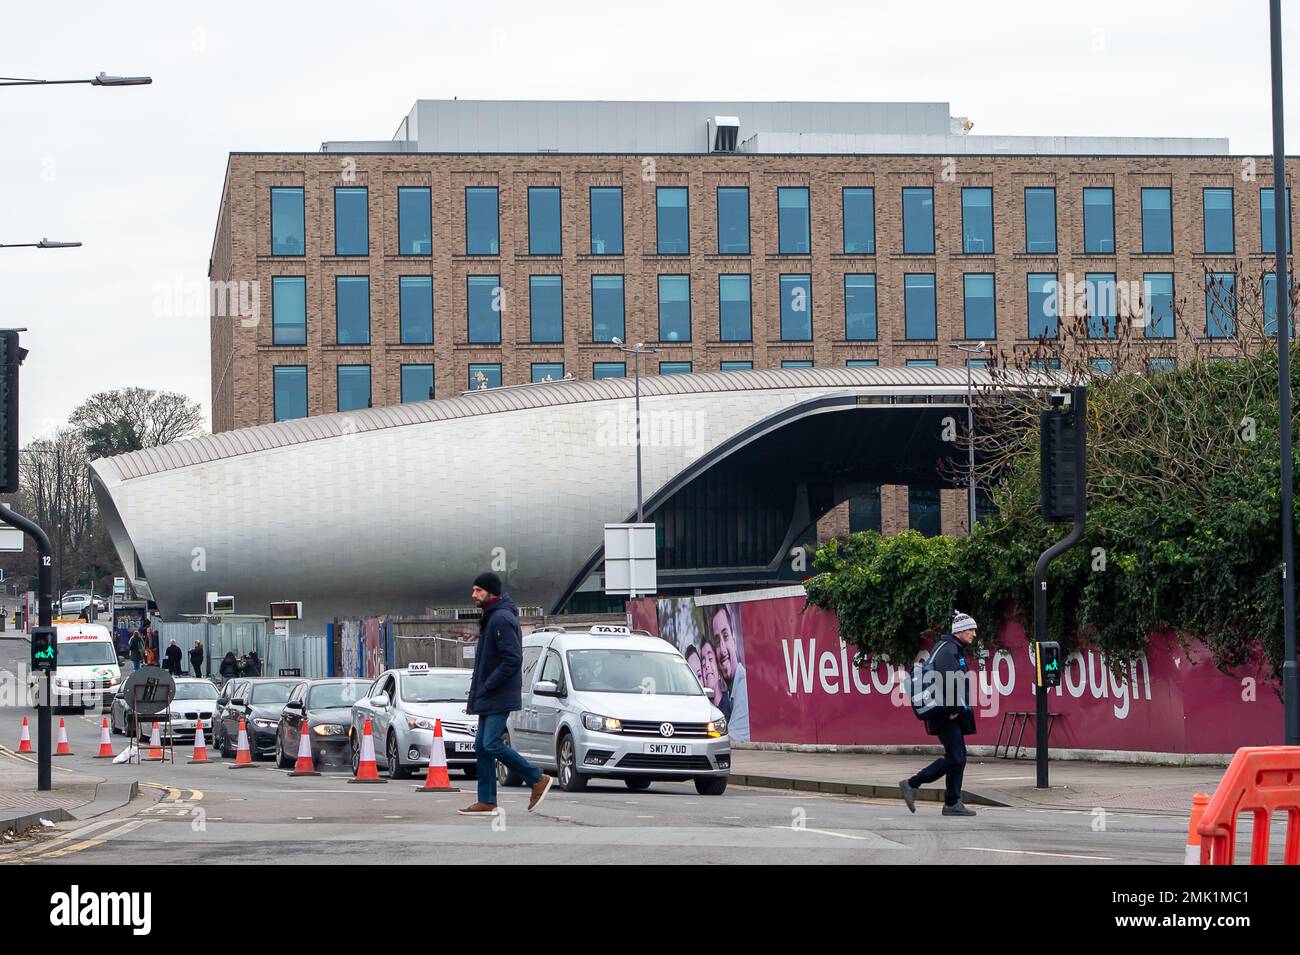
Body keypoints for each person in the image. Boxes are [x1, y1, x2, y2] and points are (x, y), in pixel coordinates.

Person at [460, 571, 553, 816]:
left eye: (478, 590)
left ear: (492, 593)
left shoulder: (500, 618)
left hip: (497, 694)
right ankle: (487, 799)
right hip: (488, 694)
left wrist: (489, 685)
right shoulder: (492, 617)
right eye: (474, 590)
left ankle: (537, 778)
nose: (474, 595)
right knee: (481, 746)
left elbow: (512, 659)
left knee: (490, 743)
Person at [899, 612, 980, 817]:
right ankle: (912, 783)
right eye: (971, 629)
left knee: (958, 756)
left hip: (948, 712)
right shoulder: (948, 650)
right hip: (944, 714)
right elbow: (950, 681)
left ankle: (952, 801)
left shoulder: (953, 648)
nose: (974, 634)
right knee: (955, 756)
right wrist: (954, 709)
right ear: (960, 631)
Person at [709, 604, 749, 741]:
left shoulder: (743, 684)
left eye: (725, 637)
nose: (722, 649)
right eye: (717, 641)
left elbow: (730, 742)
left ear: (734, 640)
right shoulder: (731, 691)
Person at [699, 637, 731, 719]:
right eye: (703, 663)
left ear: (719, 670)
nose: (707, 665)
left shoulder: (730, 705)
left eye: (710, 659)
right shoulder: (702, 712)